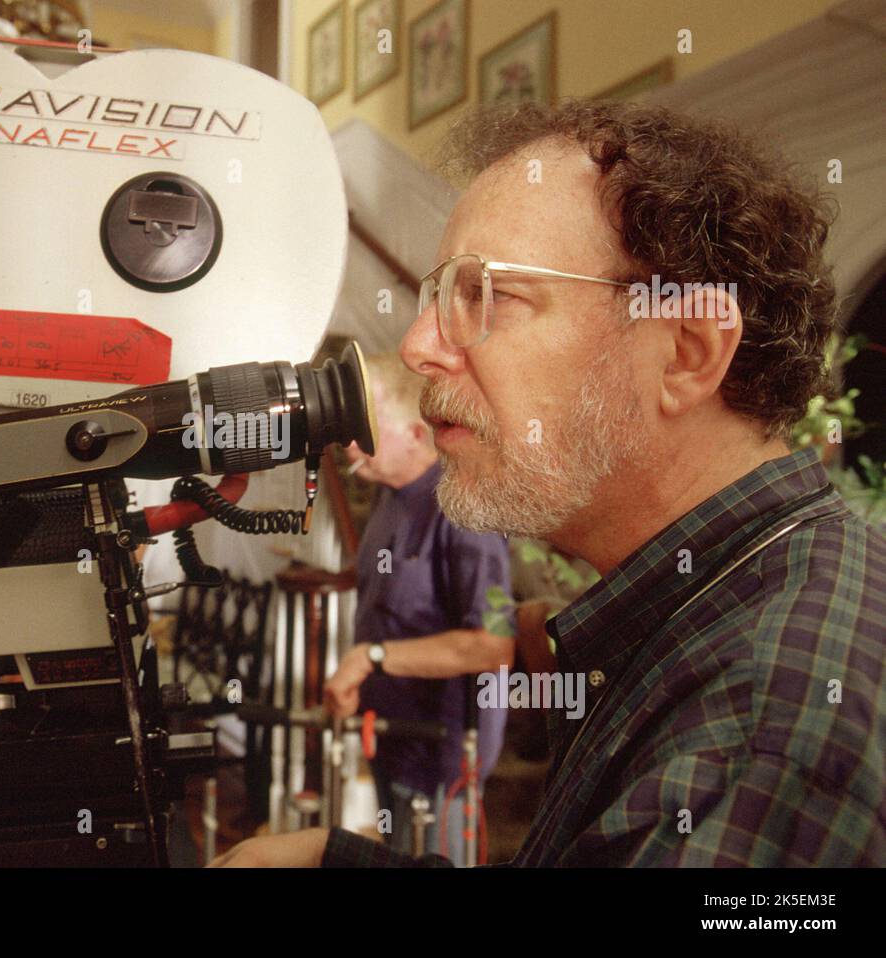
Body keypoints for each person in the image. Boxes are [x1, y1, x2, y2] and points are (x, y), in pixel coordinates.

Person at [211, 99, 886, 867]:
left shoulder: (756, 743)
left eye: (487, 297)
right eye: (437, 297)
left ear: (688, 351)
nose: (418, 346)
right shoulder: (722, 599)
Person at [326, 353, 511, 862]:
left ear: (413, 432)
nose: (349, 441)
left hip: (441, 764)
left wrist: (371, 658)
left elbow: (494, 645)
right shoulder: (391, 498)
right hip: (391, 743)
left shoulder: (464, 509)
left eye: (367, 424)